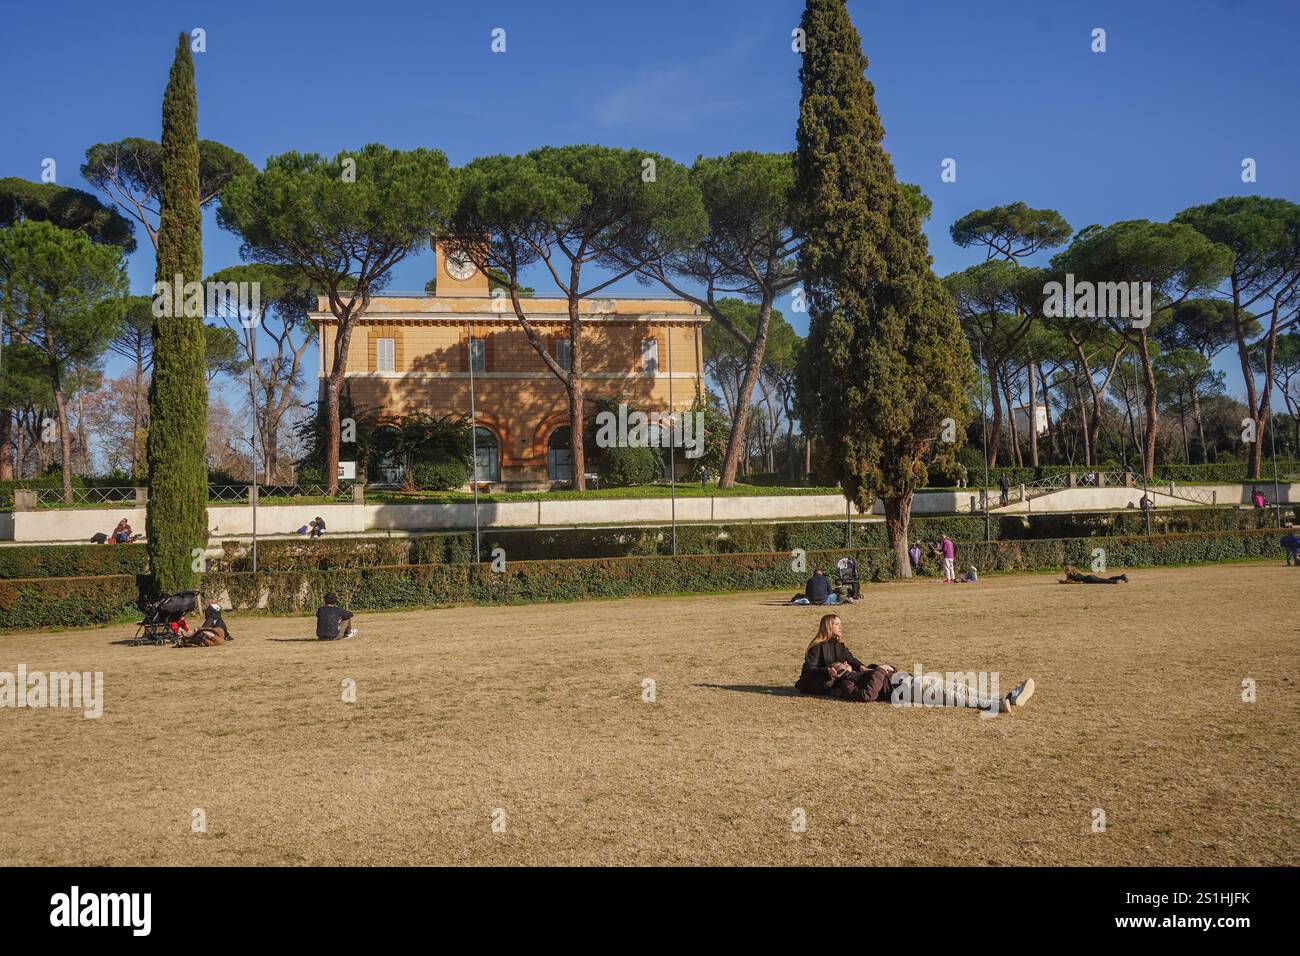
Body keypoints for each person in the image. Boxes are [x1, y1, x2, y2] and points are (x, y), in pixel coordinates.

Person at [794, 614, 1035, 714]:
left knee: (957, 687)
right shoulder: (822, 655)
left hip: (906, 679)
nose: (841, 626)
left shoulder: (841, 649)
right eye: (837, 624)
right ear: (828, 626)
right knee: (950, 696)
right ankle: (997, 705)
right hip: (902, 690)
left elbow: (858, 664)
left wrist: (873, 667)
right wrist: (832, 671)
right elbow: (865, 694)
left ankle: (1005, 697)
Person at [1059, 564, 1128, 585]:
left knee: (1102, 581)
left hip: (1089, 579)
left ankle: (1115, 581)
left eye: (1065, 571)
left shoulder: (1071, 576)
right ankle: (1121, 577)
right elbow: (1068, 581)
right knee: (1104, 580)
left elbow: (1070, 582)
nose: (1064, 572)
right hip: (1089, 577)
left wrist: (1062, 582)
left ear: (1068, 571)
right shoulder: (1074, 573)